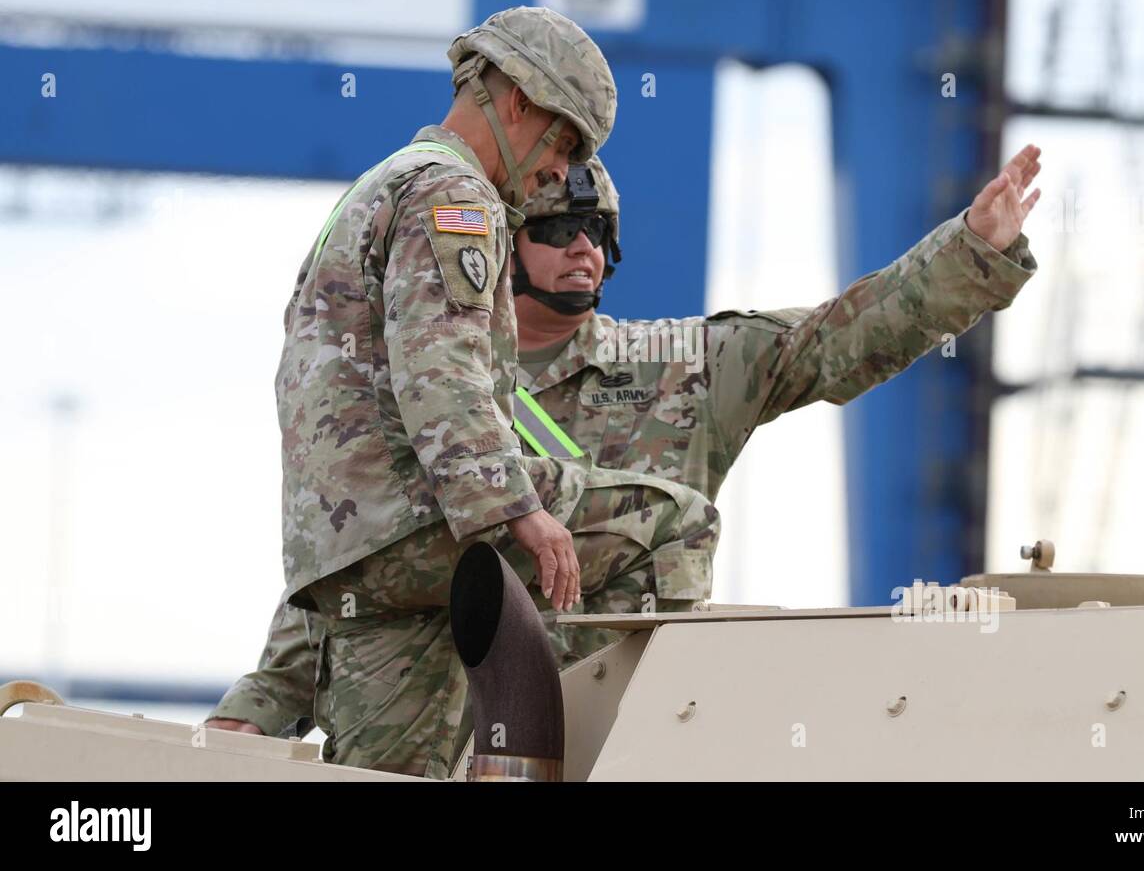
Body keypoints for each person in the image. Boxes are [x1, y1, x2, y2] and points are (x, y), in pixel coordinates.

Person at [209, 144, 1044, 757]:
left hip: (616, 742)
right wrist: (260, 704)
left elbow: (838, 337)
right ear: (498, 248)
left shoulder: (679, 368)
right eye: (559, 226)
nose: (584, 246)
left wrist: (973, 247)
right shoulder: (435, 398)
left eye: (599, 230)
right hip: (434, 725)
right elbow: (353, 566)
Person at [228, 5, 722, 780]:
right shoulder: (454, 197)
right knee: (674, 523)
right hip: (424, 518)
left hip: (349, 556)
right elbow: (441, 369)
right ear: (516, 100)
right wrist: (519, 510)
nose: (563, 169)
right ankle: (600, 759)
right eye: (563, 140)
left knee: (388, 776)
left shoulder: (375, 188)